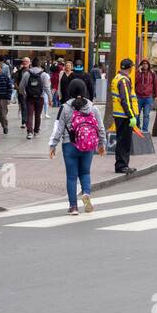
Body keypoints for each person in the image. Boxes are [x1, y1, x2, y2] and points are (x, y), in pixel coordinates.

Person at [49, 79, 104, 216]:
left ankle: (73, 207)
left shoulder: (65, 108)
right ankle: (86, 193)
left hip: (70, 145)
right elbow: (100, 128)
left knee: (71, 177)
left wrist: (53, 145)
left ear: (70, 91)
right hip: (88, 145)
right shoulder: (93, 107)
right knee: (85, 173)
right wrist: (102, 144)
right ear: (85, 91)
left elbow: (59, 129)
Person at [111, 57, 137, 174]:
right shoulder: (124, 80)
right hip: (124, 116)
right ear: (129, 68)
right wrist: (131, 116)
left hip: (118, 115)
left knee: (121, 140)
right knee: (124, 141)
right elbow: (125, 100)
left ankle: (120, 164)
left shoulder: (116, 78)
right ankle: (122, 165)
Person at [18, 58, 50, 140]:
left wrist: (24, 94)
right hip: (40, 97)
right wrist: (50, 98)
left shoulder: (26, 74)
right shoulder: (44, 74)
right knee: (38, 115)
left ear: (32, 64)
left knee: (29, 115)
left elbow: (21, 86)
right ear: (40, 65)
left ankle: (29, 132)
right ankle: (36, 131)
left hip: (29, 97)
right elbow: (46, 88)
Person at [135, 59, 157, 132]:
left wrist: (156, 95)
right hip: (138, 97)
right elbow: (134, 81)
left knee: (146, 115)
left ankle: (145, 130)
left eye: (146, 64)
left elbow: (156, 85)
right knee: (136, 114)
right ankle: (137, 127)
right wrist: (138, 72)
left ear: (148, 65)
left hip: (148, 97)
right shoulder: (138, 73)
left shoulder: (152, 73)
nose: (145, 65)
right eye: (143, 63)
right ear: (141, 65)